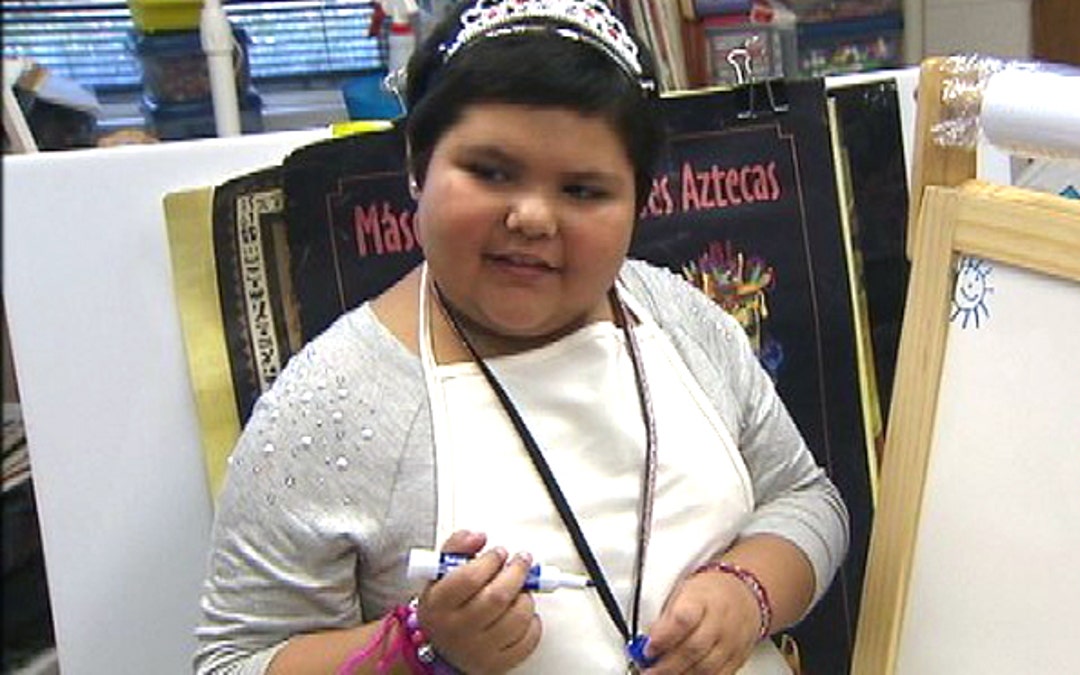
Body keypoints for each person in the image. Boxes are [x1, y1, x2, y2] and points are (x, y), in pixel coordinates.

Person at [195, 0, 849, 672]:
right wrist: (417, 646)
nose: (533, 217)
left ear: (639, 201)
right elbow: (232, 661)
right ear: (418, 163)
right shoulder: (333, 405)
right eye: (491, 172)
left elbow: (806, 499)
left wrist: (747, 592)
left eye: (584, 190)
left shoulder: (680, 319)